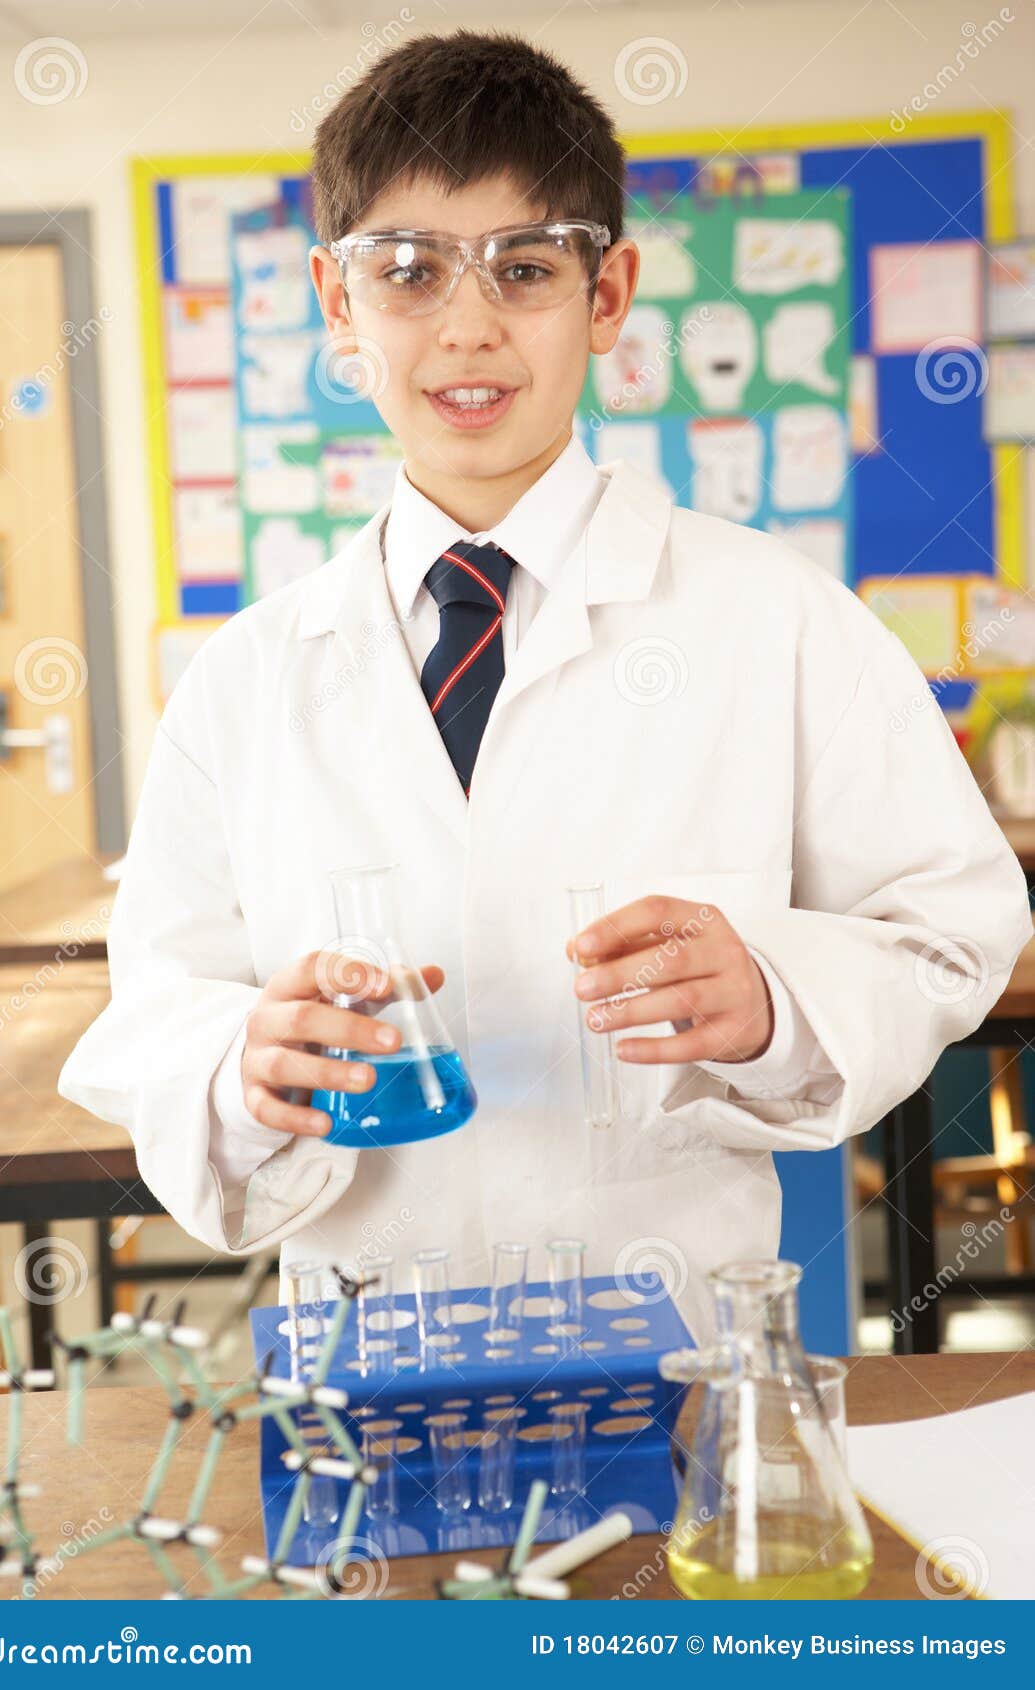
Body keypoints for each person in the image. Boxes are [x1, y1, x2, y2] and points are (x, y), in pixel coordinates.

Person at [59, 30, 1032, 1344]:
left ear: (610, 290)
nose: (468, 326)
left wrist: (778, 992)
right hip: (368, 1373)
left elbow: (952, 929)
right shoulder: (245, 681)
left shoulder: (776, 618)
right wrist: (242, 1062)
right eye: (406, 272)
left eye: (524, 268)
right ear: (337, 303)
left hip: (684, 1356)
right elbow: (158, 1006)